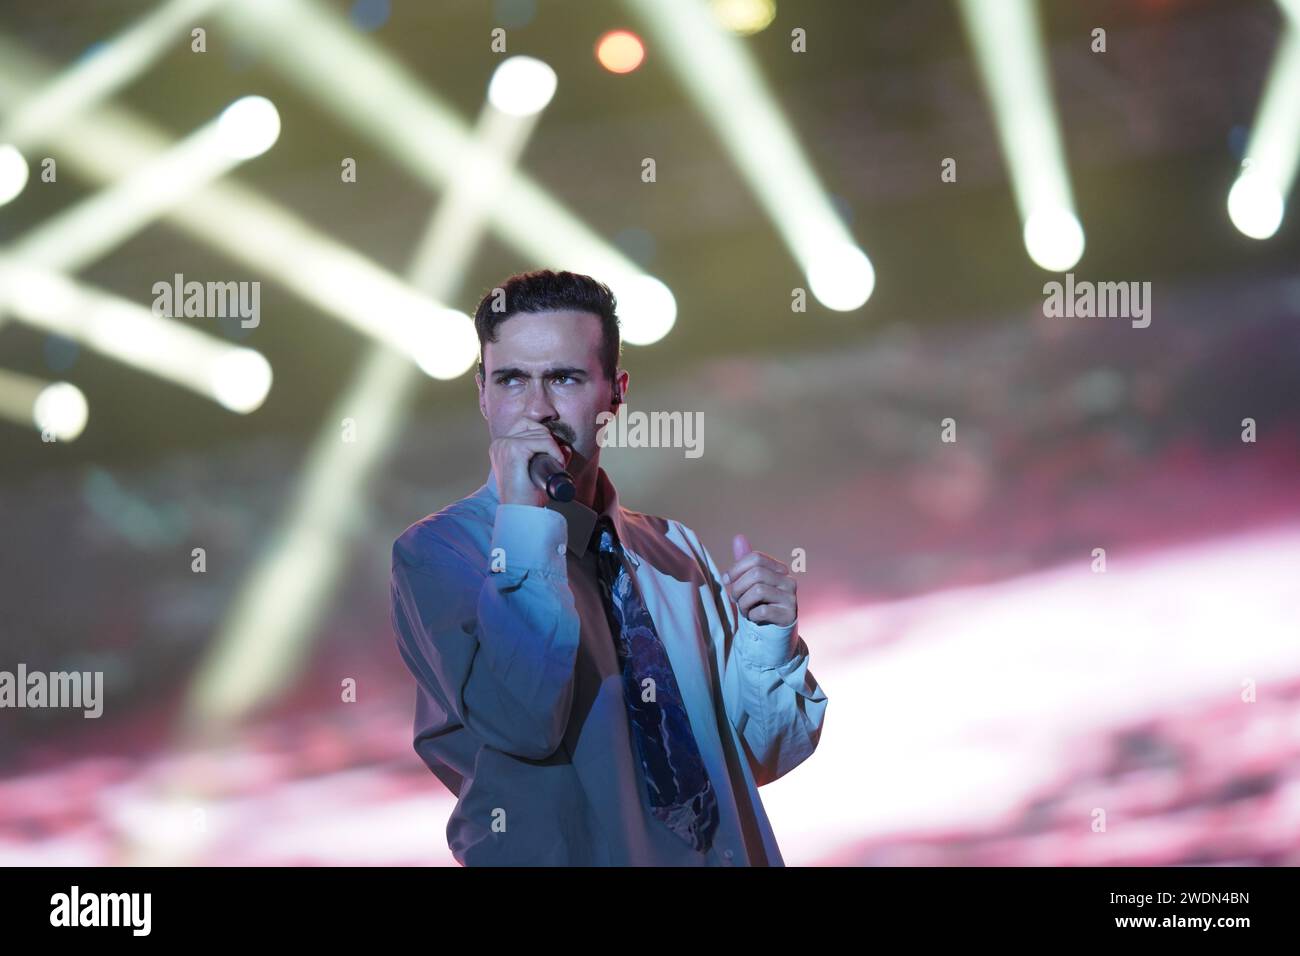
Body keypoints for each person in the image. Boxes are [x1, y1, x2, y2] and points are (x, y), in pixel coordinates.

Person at [389, 269, 828, 866]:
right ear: (483, 394)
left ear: (615, 392)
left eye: (564, 378)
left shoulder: (672, 549)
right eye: (512, 380)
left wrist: (769, 642)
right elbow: (523, 720)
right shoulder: (440, 554)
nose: (537, 408)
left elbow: (758, 754)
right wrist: (524, 520)